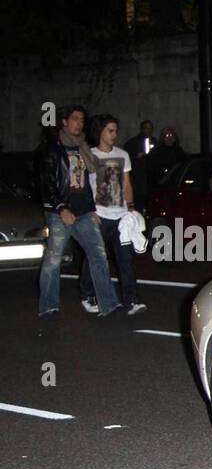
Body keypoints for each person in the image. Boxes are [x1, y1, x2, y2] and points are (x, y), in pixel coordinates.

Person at [36, 104, 121, 318]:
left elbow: (86, 182)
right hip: (59, 212)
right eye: (75, 119)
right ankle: (49, 306)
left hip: (83, 211)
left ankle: (108, 304)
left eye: (82, 120)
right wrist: (61, 208)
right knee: (53, 260)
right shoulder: (52, 148)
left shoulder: (83, 147)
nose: (79, 123)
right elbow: (47, 183)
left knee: (99, 255)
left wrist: (91, 208)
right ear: (64, 122)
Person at [80, 114, 145, 315]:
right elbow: (81, 186)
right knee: (96, 257)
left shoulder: (123, 155)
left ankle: (131, 301)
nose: (114, 134)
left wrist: (131, 209)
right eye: (110, 130)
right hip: (99, 215)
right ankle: (87, 294)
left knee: (125, 259)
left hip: (121, 216)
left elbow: (126, 183)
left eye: (116, 130)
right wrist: (89, 211)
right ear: (100, 132)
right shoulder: (88, 155)